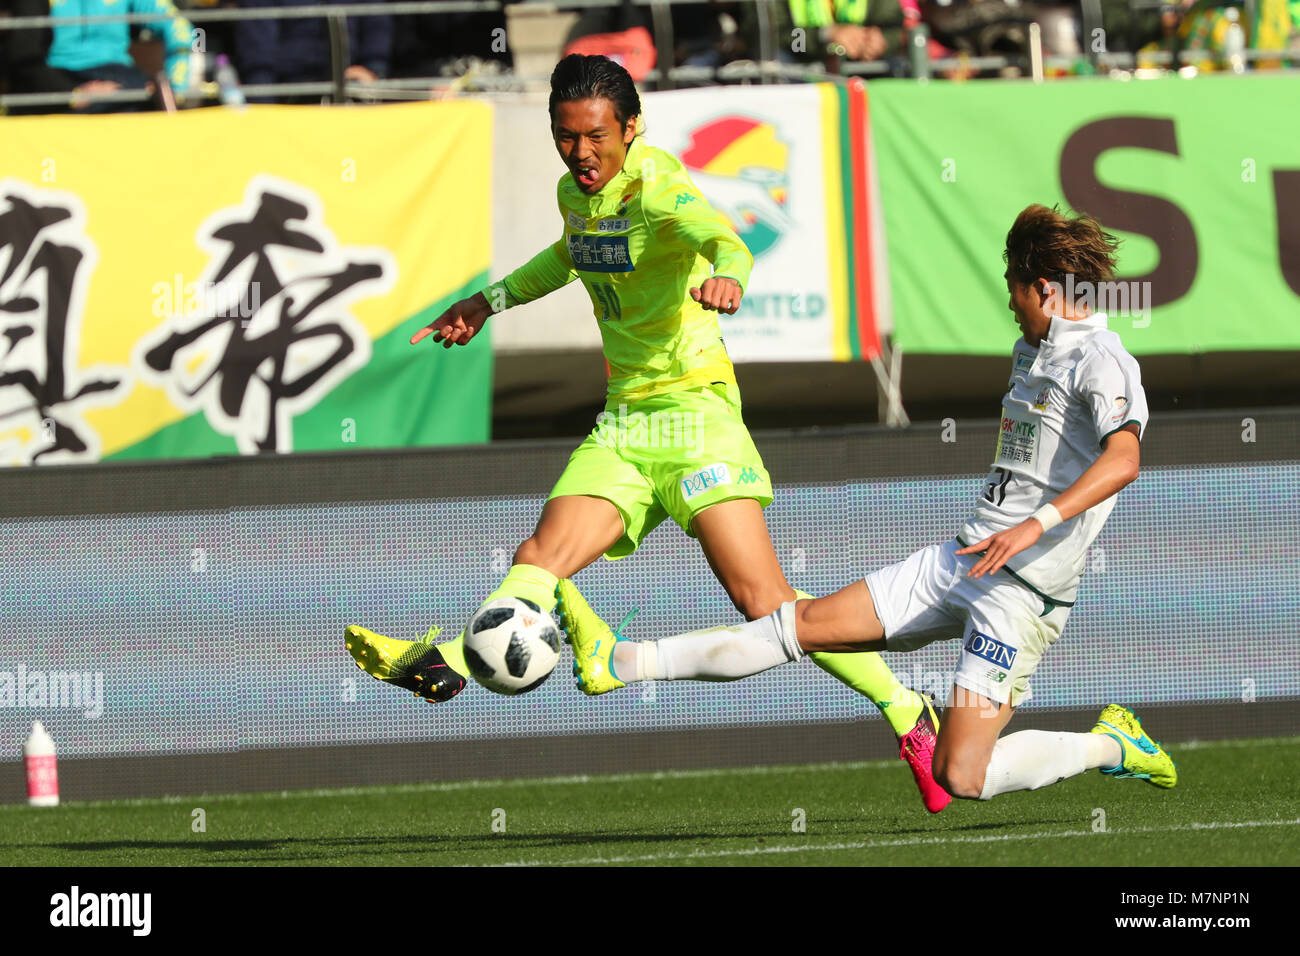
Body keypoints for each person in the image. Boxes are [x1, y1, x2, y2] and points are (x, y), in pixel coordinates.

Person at [345, 53, 950, 813]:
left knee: (763, 600)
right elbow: (571, 256)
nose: (581, 153)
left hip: (696, 417)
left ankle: (905, 710)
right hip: (625, 425)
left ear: (631, 129)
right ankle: (451, 664)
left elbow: (719, 237)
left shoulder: (657, 180)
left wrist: (731, 274)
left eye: (596, 136)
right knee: (542, 558)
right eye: (566, 137)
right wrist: (487, 301)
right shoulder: (576, 193)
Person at [558, 203, 1178, 804]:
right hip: (960, 560)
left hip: (1022, 595)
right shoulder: (1032, 351)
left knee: (962, 776)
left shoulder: (1103, 360)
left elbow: (1123, 460)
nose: (1009, 303)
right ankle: (622, 660)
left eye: (1014, 289)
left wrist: (1033, 526)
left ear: (1043, 289)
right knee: (798, 627)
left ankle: (1111, 745)